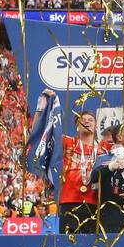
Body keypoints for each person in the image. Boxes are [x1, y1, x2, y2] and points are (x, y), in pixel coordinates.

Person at [33, 92, 99, 236]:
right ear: (77, 125)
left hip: (96, 204)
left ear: (96, 126)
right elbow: (41, 134)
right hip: (69, 201)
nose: (87, 122)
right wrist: (41, 107)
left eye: (91, 120)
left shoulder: (104, 147)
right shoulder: (67, 143)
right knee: (69, 245)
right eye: (83, 120)